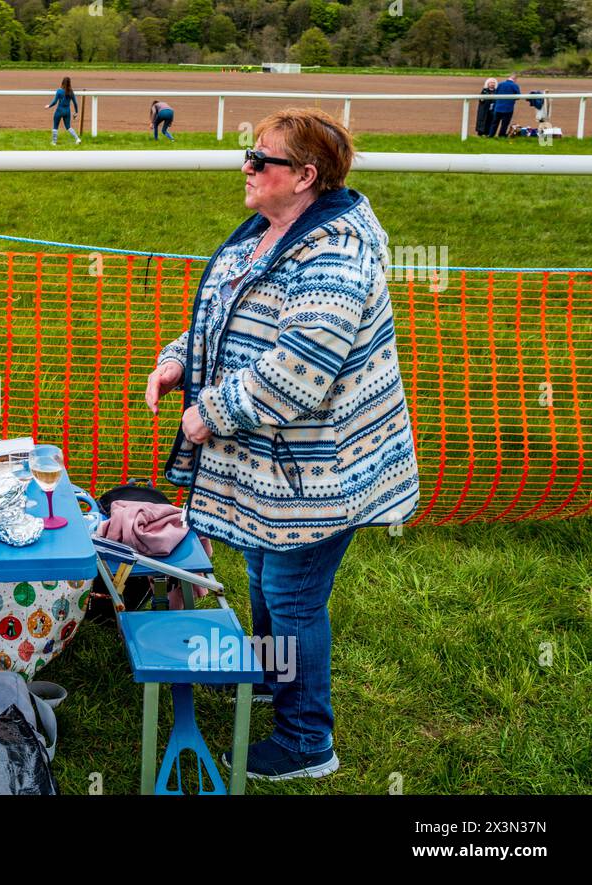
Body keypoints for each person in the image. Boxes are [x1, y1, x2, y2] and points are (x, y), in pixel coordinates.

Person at [144, 108, 419, 780]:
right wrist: (179, 358)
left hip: (326, 469)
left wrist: (209, 412)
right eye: (249, 153)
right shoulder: (267, 234)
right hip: (279, 468)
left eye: (260, 159)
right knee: (266, 573)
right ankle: (271, 675)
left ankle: (306, 741)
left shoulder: (335, 254)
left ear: (305, 175)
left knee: (294, 595)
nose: (246, 166)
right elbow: (224, 316)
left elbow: (297, 369)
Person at [45, 76, 80, 145]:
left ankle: (54, 142)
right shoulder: (71, 92)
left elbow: (55, 102)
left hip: (59, 110)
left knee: (55, 126)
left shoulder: (59, 91)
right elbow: (75, 103)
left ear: (62, 82)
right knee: (68, 127)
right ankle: (77, 139)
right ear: (69, 83)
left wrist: (49, 106)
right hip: (67, 111)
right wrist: (76, 112)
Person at [492, 72, 520, 138]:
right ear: (515, 79)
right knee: (504, 124)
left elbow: (495, 94)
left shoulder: (500, 84)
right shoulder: (515, 86)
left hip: (498, 107)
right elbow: (518, 96)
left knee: (494, 123)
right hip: (508, 108)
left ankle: (491, 135)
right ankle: (501, 135)